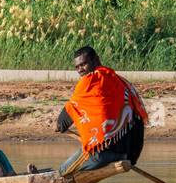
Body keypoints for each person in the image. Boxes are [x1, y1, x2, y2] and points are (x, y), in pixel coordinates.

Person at [37, 46, 148, 175]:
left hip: (101, 154)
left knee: (62, 172)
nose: (80, 70)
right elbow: (138, 123)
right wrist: (131, 159)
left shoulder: (90, 81)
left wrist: (60, 126)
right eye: (77, 67)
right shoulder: (120, 81)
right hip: (124, 154)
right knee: (75, 169)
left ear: (96, 60)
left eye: (83, 64)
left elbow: (64, 120)